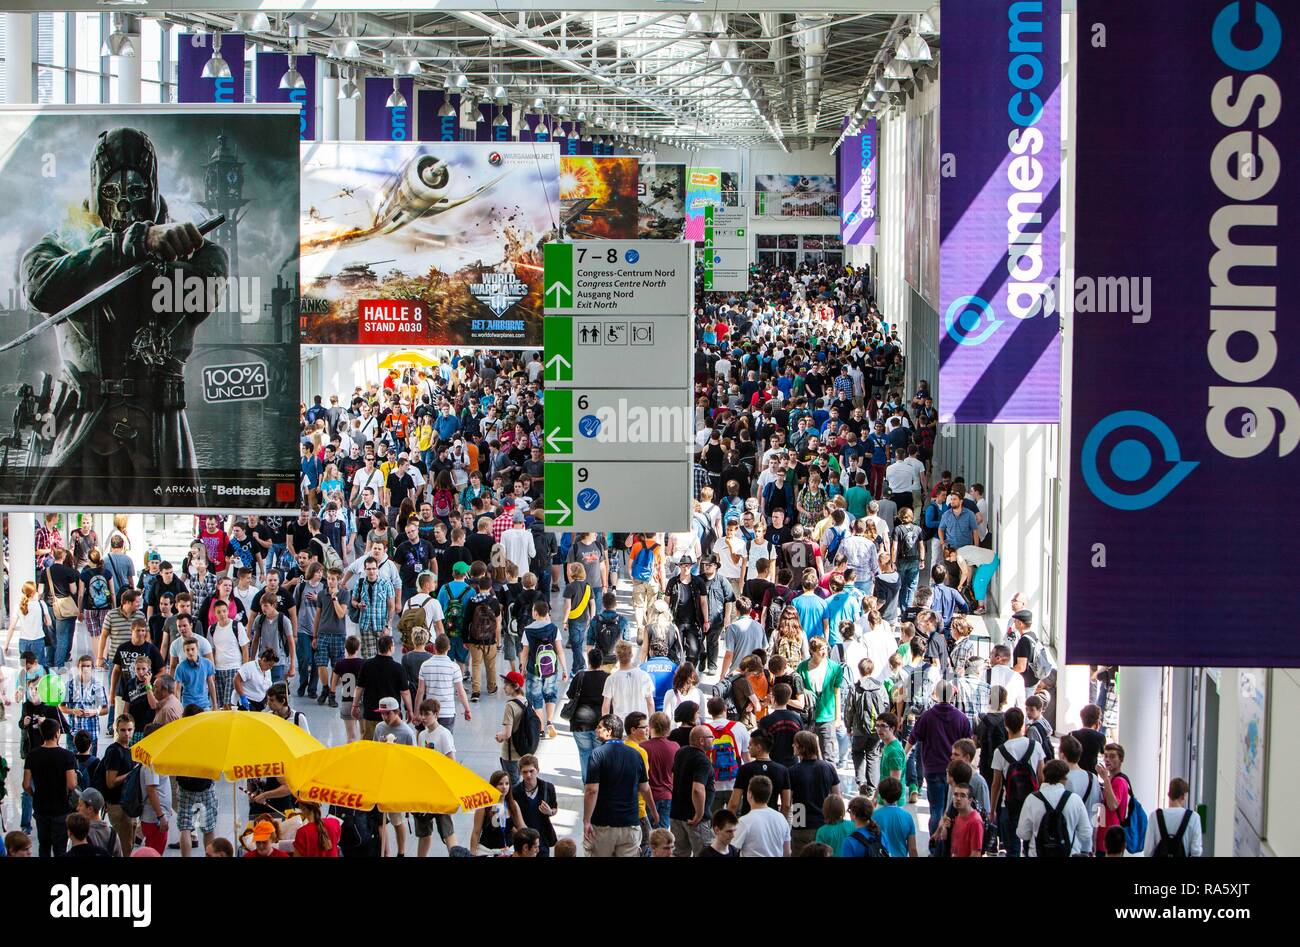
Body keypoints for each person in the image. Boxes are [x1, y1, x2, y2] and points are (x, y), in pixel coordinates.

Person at [583, 714, 655, 857]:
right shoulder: (636, 754)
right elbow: (645, 788)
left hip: (604, 824)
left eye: (599, 727)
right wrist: (654, 811)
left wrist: (586, 820)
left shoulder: (597, 754)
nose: (596, 730)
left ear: (609, 731)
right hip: (630, 824)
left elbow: (592, 790)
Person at [908, 679, 973, 838]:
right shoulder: (961, 718)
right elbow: (969, 744)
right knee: (953, 808)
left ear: (935, 694)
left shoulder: (927, 716)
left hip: (932, 768)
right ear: (953, 695)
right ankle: (949, 840)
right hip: (956, 771)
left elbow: (913, 738)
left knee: (936, 808)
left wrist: (904, 756)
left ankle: (934, 843)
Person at [990, 706, 1047, 858]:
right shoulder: (1036, 746)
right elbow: (1042, 777)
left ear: (1005, 725)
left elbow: (996, 784)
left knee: (1012, 849)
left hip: (1008, 803)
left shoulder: (1000, 751)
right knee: (1030, 847)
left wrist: (992, 810)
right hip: (1033, 801)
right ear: (1023, 724)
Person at [22, 717, 77, 857]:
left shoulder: (32, 755)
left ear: (41, 733)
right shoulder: (67, 756)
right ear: (57, 733)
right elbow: (71, 784)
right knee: (60, 849)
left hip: (41, 808)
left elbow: (26, 784)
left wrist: (34, 794)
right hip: (61, 808)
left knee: (44, 846)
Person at [1015, 759, 1091, 857]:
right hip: (1069, 853)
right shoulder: (1075, 800)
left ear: (1045, 775)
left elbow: (1023, 834)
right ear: (1063, 778)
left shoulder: (1032, 799)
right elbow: (1086, 834)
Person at [788, 730, 840, 855]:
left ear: (802, 748)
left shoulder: (792, 771)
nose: (792, 746)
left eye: (795, 744)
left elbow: (787, 802)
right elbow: (837, 797)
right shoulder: (828, 768)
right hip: (824, 821)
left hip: (800, 822)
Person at [519, 598, 564, 740]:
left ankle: (540, 728)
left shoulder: (528, 631)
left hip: (534, 670)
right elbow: (560, 651)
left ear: (536, 613)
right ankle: (550, 721)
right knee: (550, 695)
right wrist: (564, 669)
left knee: (536, 699)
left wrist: (523, 668)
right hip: (551, 669)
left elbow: (524, 653)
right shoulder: (554, 629)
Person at [353, 635, 411, 741]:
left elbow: (359, 688)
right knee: (391, 745)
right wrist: (409, 710)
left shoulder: (367, 665)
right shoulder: (398, 668)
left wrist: (355, 705)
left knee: (370, 747)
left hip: (371, 713)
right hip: (392, 715)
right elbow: (405, 693)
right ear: (390, 648)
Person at [669, 724, 714, 857]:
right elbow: (698, 790)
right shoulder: (702, 760)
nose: (713, 739)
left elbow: (673, 777)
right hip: (694, 819)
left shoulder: (681, 752)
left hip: (677, 814)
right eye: (711, 737)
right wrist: (699, 814)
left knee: (680, 853)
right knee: (703, 854)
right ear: (701, 741)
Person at [511, 755, 558, 857]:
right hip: (524, 842)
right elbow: (512, 818)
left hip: (542, 839)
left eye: (531, 771)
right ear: (520, 772)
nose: (528, 775)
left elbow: (554, 808)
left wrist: (550, 812)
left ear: (537, 770)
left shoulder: (548, 788)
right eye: (524, 772)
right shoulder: (515, 792)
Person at [733, 774, 792, 857]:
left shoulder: (744, 821)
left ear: (750, 794)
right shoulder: (781, 818)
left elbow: (732, 848)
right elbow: (787, 852)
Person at [1144, 777, 1202, 857]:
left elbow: (1148, 852)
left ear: (1169, 794)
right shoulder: (1194, 817)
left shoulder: (1154, 817)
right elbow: (1196, 852)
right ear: (1183, 796)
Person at [602, 640, 655, 721]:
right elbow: (650, 703)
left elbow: (606, 706)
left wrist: (606, 725)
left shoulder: (611, 679)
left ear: (617, 656)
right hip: (641, 724)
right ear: (631, 655)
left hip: (621, 725)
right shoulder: (644, 675)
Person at [871, 777, 918, 857]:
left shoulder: (874, 816)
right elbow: (912, 849)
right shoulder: (907, 817)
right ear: (899, 796)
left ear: (881, 797)